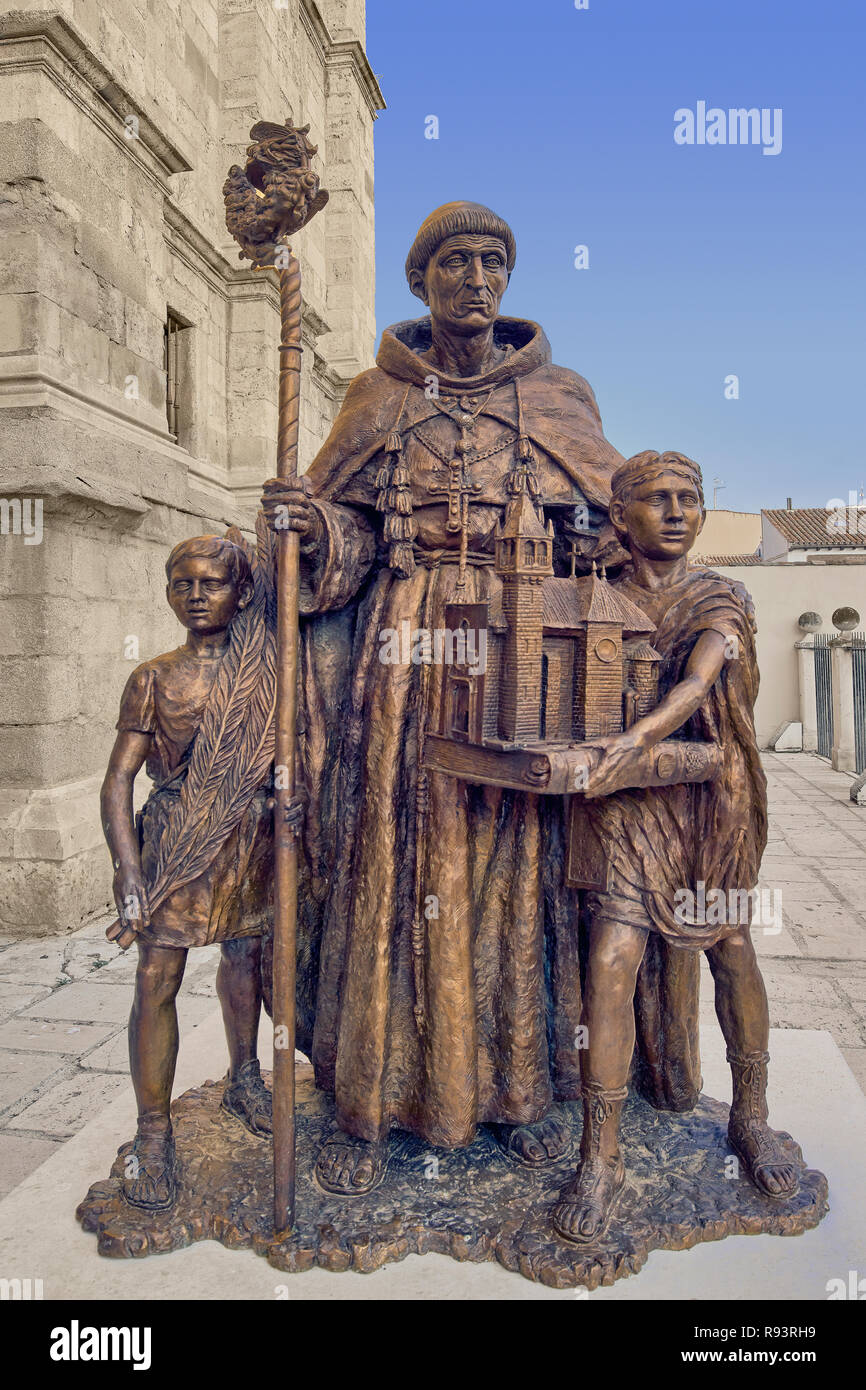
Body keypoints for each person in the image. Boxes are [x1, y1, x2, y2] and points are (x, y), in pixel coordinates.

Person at [260, 201, 629, 1194]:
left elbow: (624, 516)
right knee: (389, 842)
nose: (477, 278)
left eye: (493, 263)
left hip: (515, 644)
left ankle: (518, 1092)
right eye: (456, 262)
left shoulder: (557, 396)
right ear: (421, 281)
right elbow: (336, 546)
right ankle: (369, 1097)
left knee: (513, 854)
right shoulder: (375, 397)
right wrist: (310, 528)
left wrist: (600, 541)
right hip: (405, 646)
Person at [550, 451, 800, 1245]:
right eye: (655, 499)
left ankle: (752, 1118)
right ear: (620, 517)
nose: (677, 510)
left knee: (730, 948)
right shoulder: (599, 599)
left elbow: (698, 682)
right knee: (612, 958)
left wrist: (635, 737)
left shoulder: (720, 595)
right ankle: (601, 1155)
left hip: (709, 803)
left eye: (688, 498)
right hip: (628, 808)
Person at [101, 534, 296, 1210]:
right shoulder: (153, 677)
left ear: (241, 593)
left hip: (249, 840)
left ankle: (246, 1079)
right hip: (175, 842)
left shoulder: (271, 675)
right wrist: (128, 873)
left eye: (211, 583)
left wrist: (286, 790)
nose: (196, 595)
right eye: (182, 583)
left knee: (246, 957)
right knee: (157, 976)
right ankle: (153, 1132)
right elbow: (118, 781)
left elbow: (294, 757)